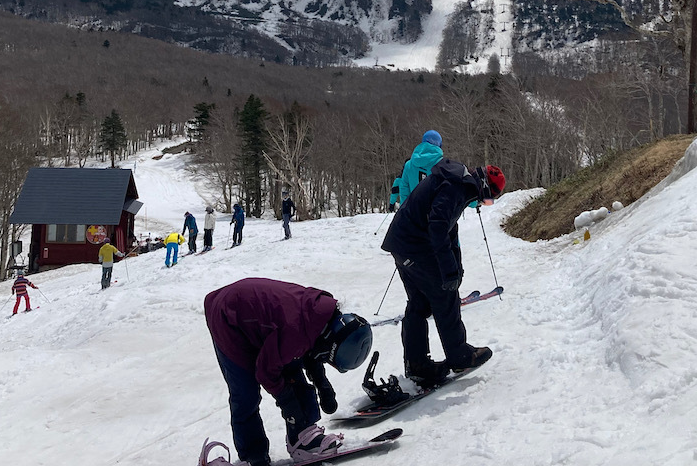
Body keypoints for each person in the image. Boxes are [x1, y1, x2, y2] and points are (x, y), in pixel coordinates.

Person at [204, 278, 373, 466]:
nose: (325, 361)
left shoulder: (322, 317)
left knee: (292, 372)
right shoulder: (295, 328)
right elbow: (266, 372)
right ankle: (253, 455)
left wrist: (322, 385)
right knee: (245, 393)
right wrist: (289, 404)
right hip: (227, 315)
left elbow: (311, 350)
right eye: (328, 359)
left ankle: (303, 437)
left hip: (259, 316)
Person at [381, 158, 505, 386]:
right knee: (445, 297)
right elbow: (438, 226)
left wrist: (455, 265)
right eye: (488, 199)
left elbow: (449, 227)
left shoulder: (455, 180)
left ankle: (417, 364)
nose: (483, 203)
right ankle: (460, 357)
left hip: (401, 243)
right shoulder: (457, 186)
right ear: (485, 187)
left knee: (419, 303)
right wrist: (449, 272)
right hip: (415, 245)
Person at [394, 130, 444, 206]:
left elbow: (404, 190)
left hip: (414, 211)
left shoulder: (409, 165)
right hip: (437, 213)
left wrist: (404, 211)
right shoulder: (444, 166)